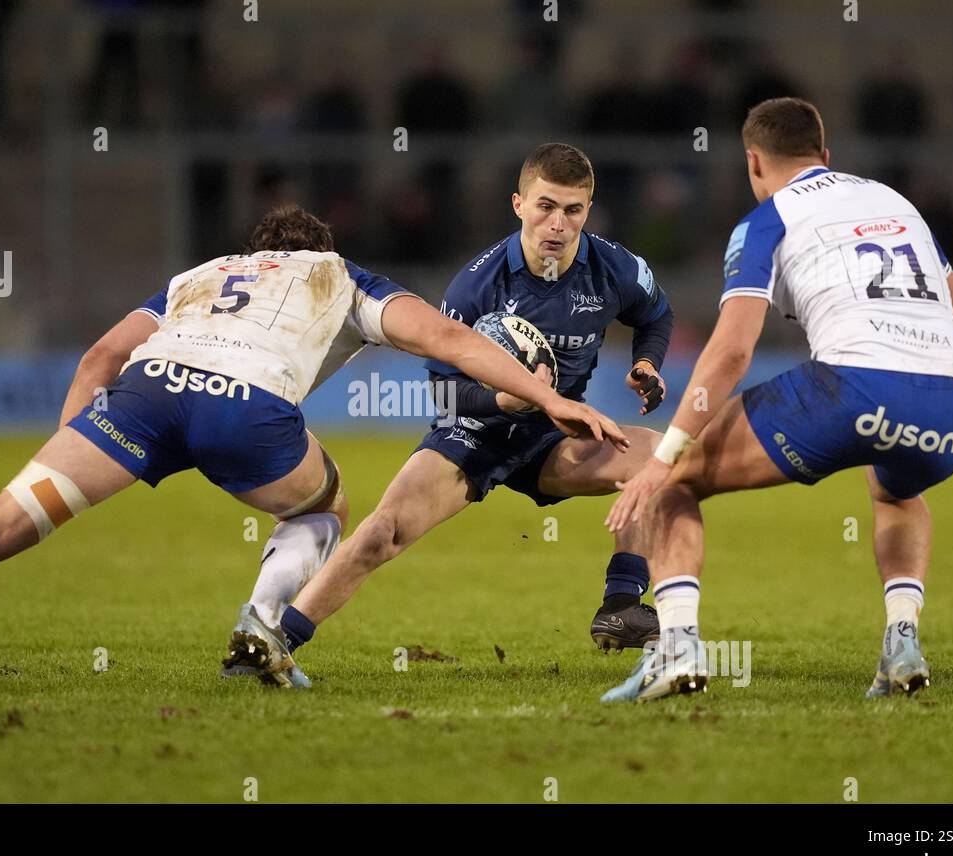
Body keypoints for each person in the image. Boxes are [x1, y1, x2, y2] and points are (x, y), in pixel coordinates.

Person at [0, 206, 621, 691]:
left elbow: (99, 357)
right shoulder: (340, 275)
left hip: (144, 396)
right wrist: (548, 395)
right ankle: (259, 631)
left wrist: (69, 446)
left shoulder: (200, 275)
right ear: (313, 251)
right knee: (323, 509)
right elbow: (446, 340)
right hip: (246, 410)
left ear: (256, 249)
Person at [228, 143, 676, 686]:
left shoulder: (615, 268)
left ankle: (621, 603)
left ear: (589, 209)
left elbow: (656, 312)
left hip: (554, 437)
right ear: (518, 203)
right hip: (474, 432)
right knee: (381, 535)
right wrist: (503, 401)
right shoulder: (478, 284)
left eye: (573, 210)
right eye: (545, 206)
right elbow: (443, 395)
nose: (558, 223)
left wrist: (647, 362)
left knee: (659, 458)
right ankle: (277, 644)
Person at [602, 98, 953, 702]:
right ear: (826, 157)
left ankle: (676, 647)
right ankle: (901, 639)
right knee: (896, 490)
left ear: (753, 162)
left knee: (675, 482)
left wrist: (666, 453)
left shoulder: (767, 219)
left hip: (849, 387)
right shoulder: (894, 201)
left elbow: (730, 352)